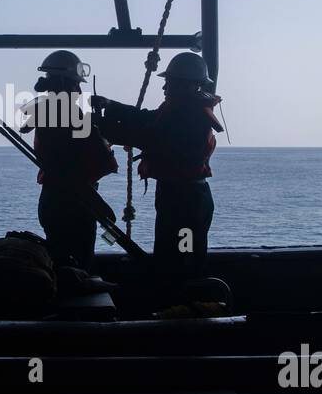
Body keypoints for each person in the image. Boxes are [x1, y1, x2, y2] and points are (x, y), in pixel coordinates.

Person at [92, 52, 222, 289]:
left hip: (186, 203)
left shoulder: (191, 118)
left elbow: (153, 138)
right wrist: (112, 106)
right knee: (173, 254)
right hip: (180, 196)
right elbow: (146, 120)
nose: (164, 86)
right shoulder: (179, 110)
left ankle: (186, 309)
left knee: (183, 258)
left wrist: (109, 129)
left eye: (171, 81)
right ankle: (176, 306)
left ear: (190, 85)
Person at [21, 50, 118, 270]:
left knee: (61, 261)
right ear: (67, 83)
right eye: (76, 85)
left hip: (53, 201)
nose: (79, 90)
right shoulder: (74, 118)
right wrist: (101, 134)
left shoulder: (43, 110)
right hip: (75, 205)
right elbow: (105, 164)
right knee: (79, 265)